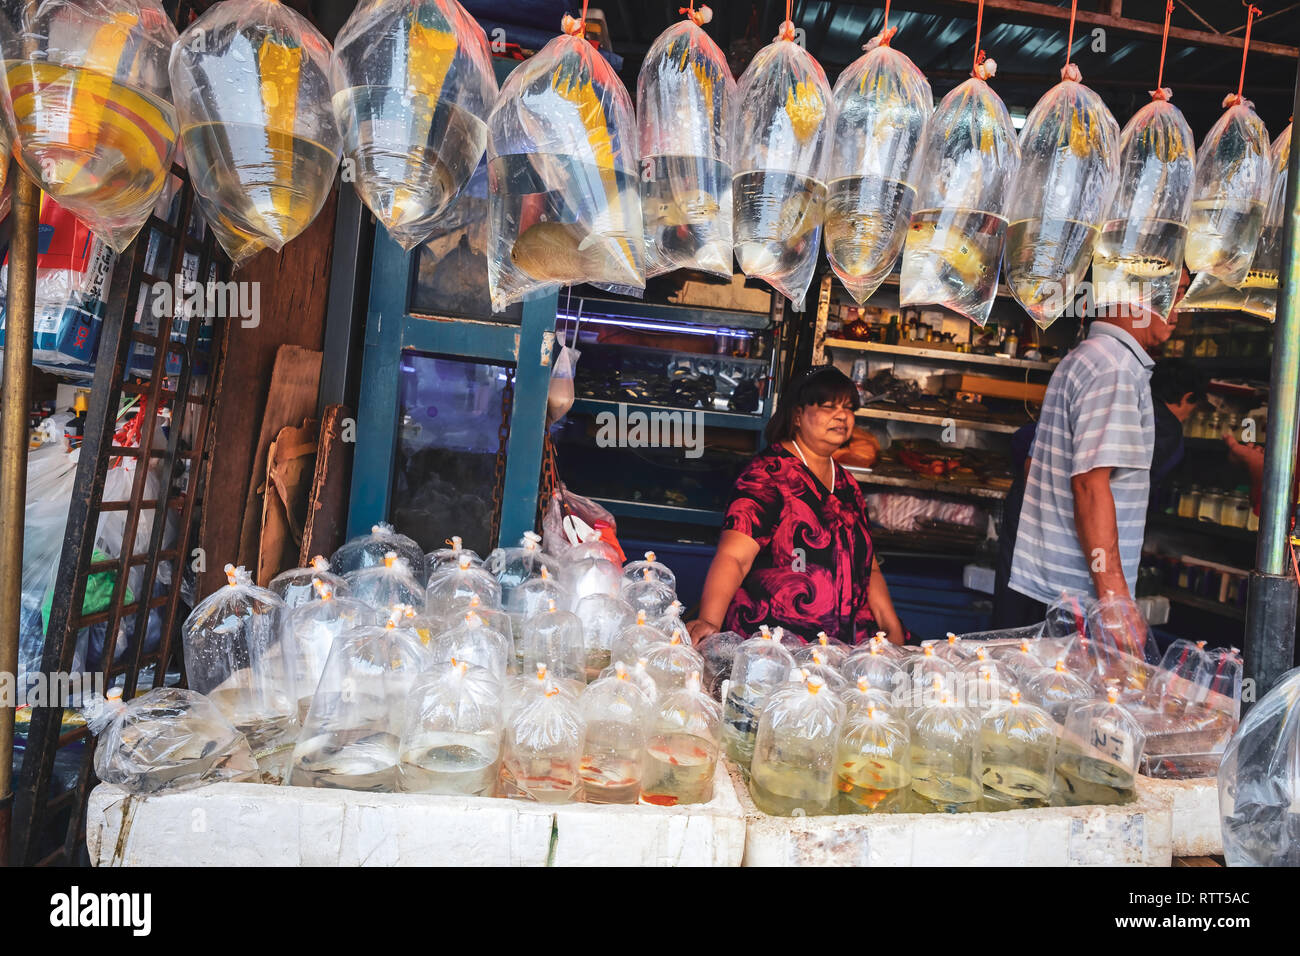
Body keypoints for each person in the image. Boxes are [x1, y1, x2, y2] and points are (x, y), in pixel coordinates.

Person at [686, 365, 906, 645]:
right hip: (773, 649)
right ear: (798, 415)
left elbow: (869, 568)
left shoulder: (847, 484)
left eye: (849, 408)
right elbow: (734, 558)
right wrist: (709, 622)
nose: (842, 415)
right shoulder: (768, 475)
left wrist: (892, 629)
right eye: (828, 406)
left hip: (839, 651)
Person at [1008, 287, 1185, 621]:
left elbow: (1033, 467)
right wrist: (1115, 601)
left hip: (1053, 591)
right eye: (1173, 293)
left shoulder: (1086, 356)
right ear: (1135, 293)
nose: (1177, 313)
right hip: (1077, 601)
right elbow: (1089, 485)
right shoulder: (1113, 368)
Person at [990, 357, 1207, 628]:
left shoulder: (1116, 399)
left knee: (1017, 623)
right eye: (1193, 410)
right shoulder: (1163, 429)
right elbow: (1113, 493)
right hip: (1082, 533)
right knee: (1066, 635)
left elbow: (1024, 439)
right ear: (1186, 398)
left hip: (1033, 522)